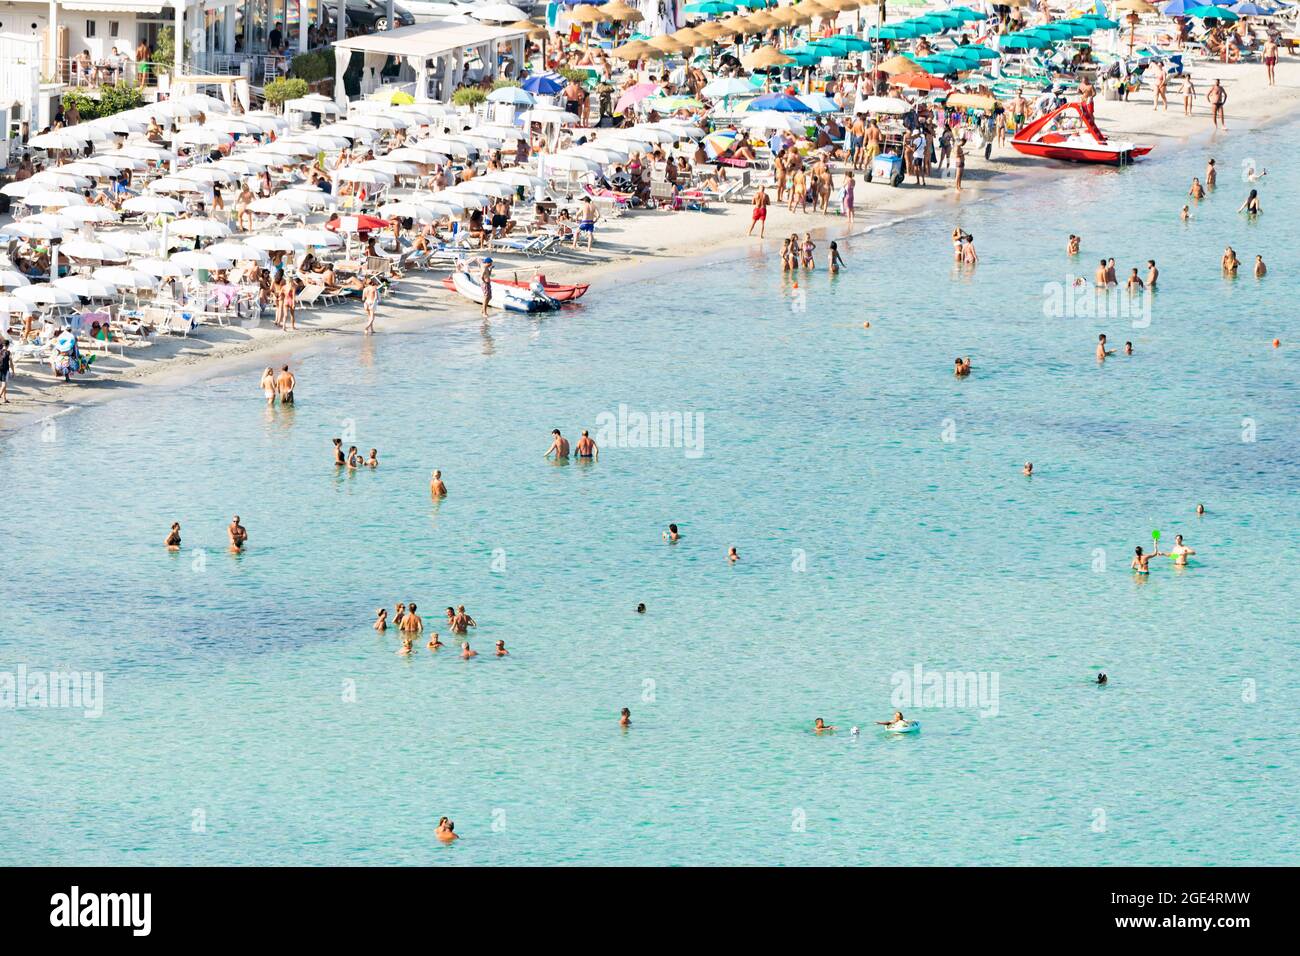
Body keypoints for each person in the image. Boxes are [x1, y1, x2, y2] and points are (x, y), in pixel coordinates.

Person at [0, 338, 11, 404]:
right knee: (4, 384)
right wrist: (13, 371)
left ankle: (4, 398)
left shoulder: (0, 351)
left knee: (2, 385)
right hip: (5, 370)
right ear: (8, 345)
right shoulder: (8, 352)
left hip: (0, 369)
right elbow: (11, 363)